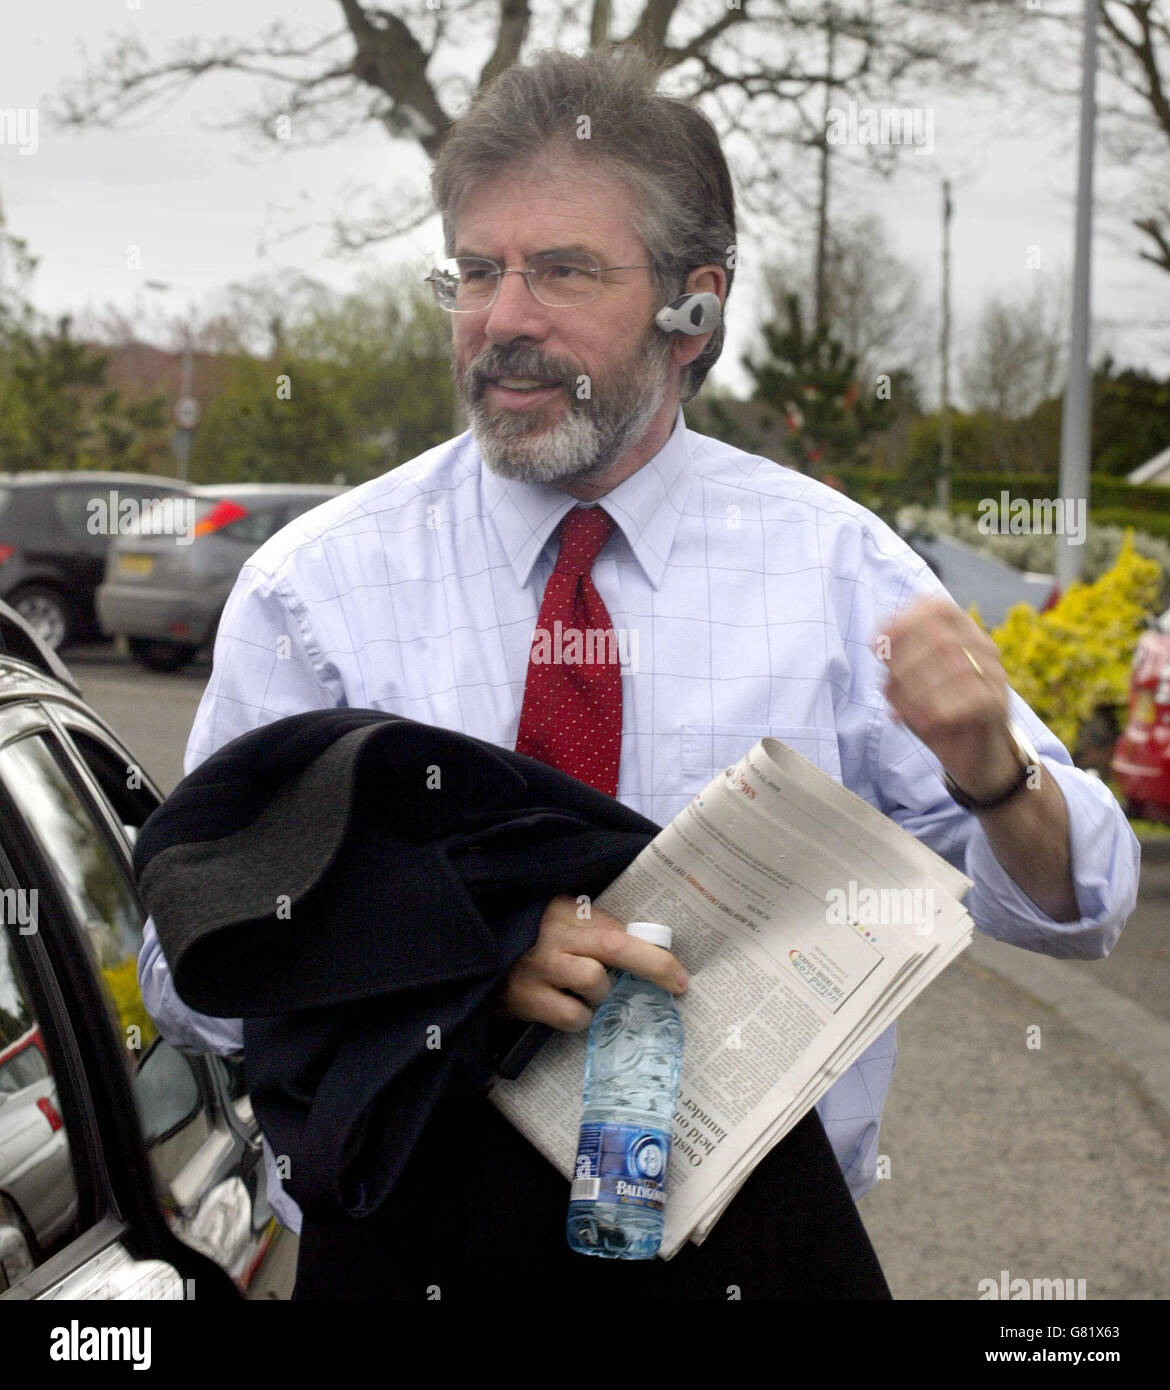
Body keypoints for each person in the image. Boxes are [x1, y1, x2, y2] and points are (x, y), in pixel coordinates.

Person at [138, 45, 1137, 1270]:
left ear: (695, 305)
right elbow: (189, 976)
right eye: (477, 271)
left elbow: (1084, 909)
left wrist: (994, 774)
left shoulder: (837, 573)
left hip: (751, 1261)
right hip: (405, 1256)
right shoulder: (318, 590)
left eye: (562, 270)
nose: (505, 318)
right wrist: (472, 956)